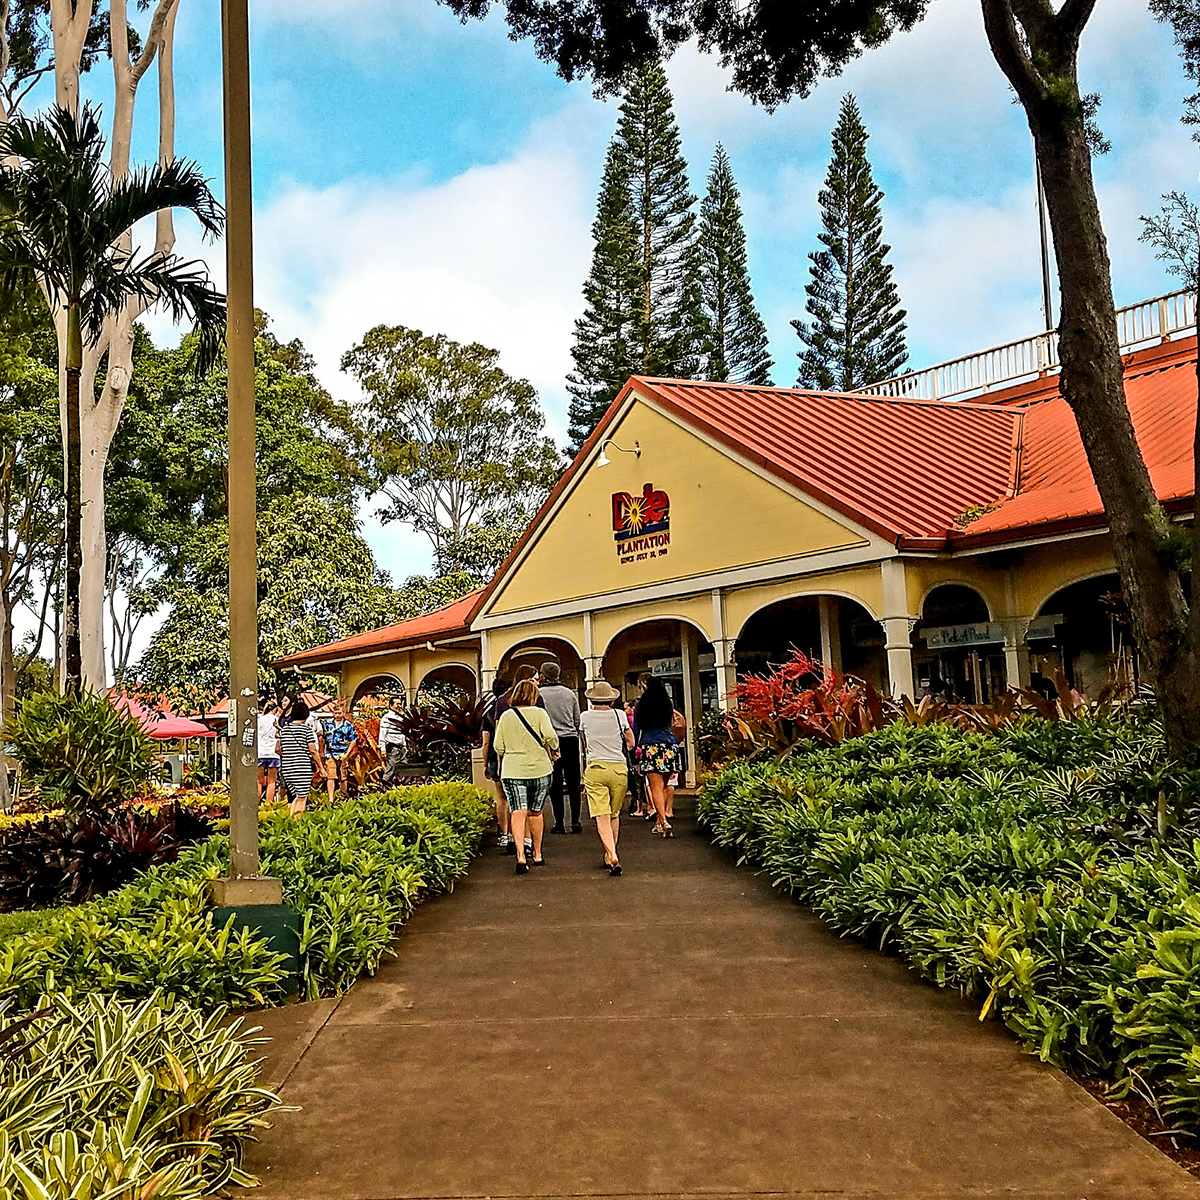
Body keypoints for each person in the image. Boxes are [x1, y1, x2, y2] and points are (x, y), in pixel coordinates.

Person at [492, 677, 558, 874]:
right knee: (536, 812)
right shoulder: (540, 713)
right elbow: (551, 737)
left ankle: (521, 855)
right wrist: (554, 749)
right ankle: (537, 853)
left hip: (513, 770)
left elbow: (498, 746)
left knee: (517, 811)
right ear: (534, 695)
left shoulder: (506, 716)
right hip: (540, 769)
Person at [580, 680, 634, 876]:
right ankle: (609, 853)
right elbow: (631, 741)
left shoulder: (585, 717)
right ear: (612, 700)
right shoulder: (620, 715)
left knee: (601, 815)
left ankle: (611, 854)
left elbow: (584, 742)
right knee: (614, 813)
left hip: (595, 768)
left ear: (592, 699)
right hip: (618, 768)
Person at [632, 675, 680, 838]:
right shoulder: (667, 703)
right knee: (665, 784)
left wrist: (635, 750)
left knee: (656, 787)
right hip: (670, 745)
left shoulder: (642, 704)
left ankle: (664, 820)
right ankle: (660, 821)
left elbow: (636, 728)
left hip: (651, 744)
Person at [539, 661, 582, 835]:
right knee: (573, 782)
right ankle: (576, 821)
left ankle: (559, 822)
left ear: (543, 675)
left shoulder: (539, 694)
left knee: (555, 783)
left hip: (550, 741)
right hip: (570, 738)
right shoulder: (569, 694)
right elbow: (577, 719)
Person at [480, 677, 512, 851]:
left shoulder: (488, 712)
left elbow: (485, 742)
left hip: (494, 756)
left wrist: (485, 764)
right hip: (511, 756)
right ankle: (517, 835)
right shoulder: (512, 709)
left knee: (501, 798)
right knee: (514, 798)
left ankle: (503, 834)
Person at [279, 699, 323, 818]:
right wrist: (321, 767)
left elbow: (278, 749)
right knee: (302, 797)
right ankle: (297, 824)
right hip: (302, 767)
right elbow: (313, 751)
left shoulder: (284, 730)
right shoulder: (307, 730)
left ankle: (290, 821)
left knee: (295, 797)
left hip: (287, 768)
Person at [321, 701, 357, 802]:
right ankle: (331, 799)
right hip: (330, 753)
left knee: (343, 776)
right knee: (331, 776)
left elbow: (353, 740)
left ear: (343, 713)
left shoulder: (348, 725)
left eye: (339, 713)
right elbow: (323, 738)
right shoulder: (327, 724)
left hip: (342, 753)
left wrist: (347, 754)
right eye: (335, 713)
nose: (337, 715)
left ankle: (343, 797)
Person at [378, 696, 408, 785]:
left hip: (402, 747)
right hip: (393, 747)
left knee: (403, 768)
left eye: (400, 704)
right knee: (391, 768)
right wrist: (382, 749)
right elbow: (383, 734)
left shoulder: (402, 717)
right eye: (397, 704)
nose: (399, 706)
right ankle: (383, 786)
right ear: (391, 705)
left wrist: (405, 746)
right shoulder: (386, 718)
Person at [257, 701, 281, 804]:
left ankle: (256, 804)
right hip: (273, 752)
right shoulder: (277, 720)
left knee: (258, 781)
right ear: (275, 709)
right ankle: (268, 805)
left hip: (260, 752)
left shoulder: (259, 720)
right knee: (272, 782)